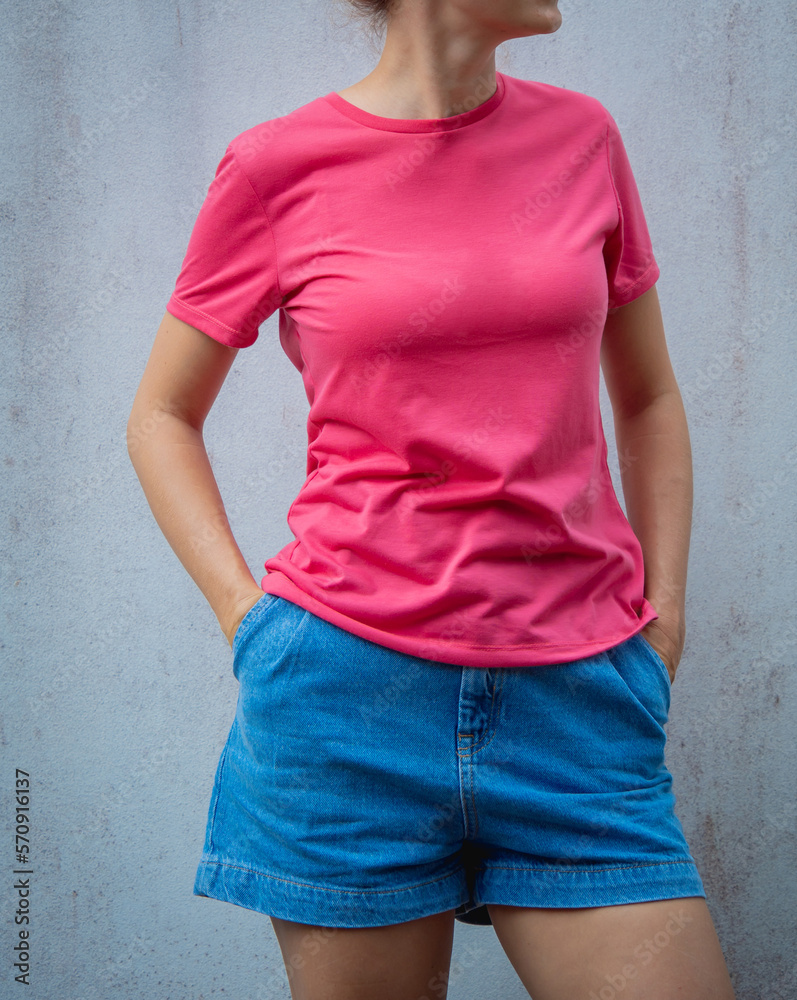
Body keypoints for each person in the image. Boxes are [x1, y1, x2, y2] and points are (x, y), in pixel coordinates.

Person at [127, 1, 737, 997]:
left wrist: (662, 616)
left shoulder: (582, 140)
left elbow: (649, 396)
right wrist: (249, 619)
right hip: (343, 697)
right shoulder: (276, 166)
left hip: (576, 699)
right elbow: (159, 414)